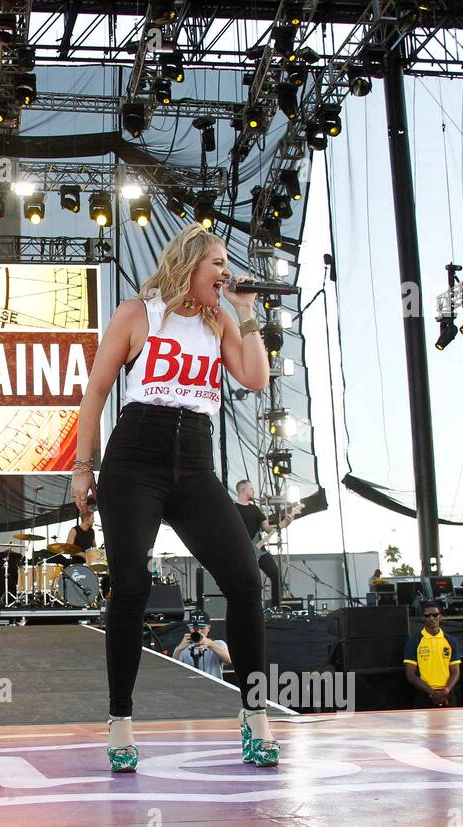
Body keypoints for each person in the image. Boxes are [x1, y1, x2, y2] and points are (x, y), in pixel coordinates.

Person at [71, 223, 278, 772]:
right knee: (132, 583)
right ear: (190, 263)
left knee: (245, 579)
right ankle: (119, 721)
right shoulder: (139, 313)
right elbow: (95, 390)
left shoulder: (220, 320)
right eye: (218, 263)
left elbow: (256, 378)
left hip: (195, 463)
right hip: (136, 456)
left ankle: (255, 717)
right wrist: (82, 467)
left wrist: (247, 310)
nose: (226, 272)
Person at [234, 480, 296, 610]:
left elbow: (267, 528)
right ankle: (246, 609)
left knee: (275, 574)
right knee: (246, 582)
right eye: (251, 489)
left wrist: (284, 524)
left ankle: (275, 607)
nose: (253, 491)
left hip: (259, 550)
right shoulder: (233, 509)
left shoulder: (255, 509)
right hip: (241, 552)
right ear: (243, 489)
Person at [404, 602, 461, 707]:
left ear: (440, 617)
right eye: (427, 615)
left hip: (447, 695)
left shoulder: (451, 641)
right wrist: (431, 692)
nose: (431, 618)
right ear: (423, 618)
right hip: (423, 695)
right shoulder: (414, 641)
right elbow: (410, 674)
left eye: (435, 615)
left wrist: (446, 690)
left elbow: (455, 671)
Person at [172, 613, 231, 679]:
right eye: (194, 628)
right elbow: (174, 669)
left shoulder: (218, 644)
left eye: (202, 628)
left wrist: (210, 644)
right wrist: (179, 649)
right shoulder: (184, 646)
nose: (198, 631)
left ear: (208, 628)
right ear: (189, 628)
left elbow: (228, 661)